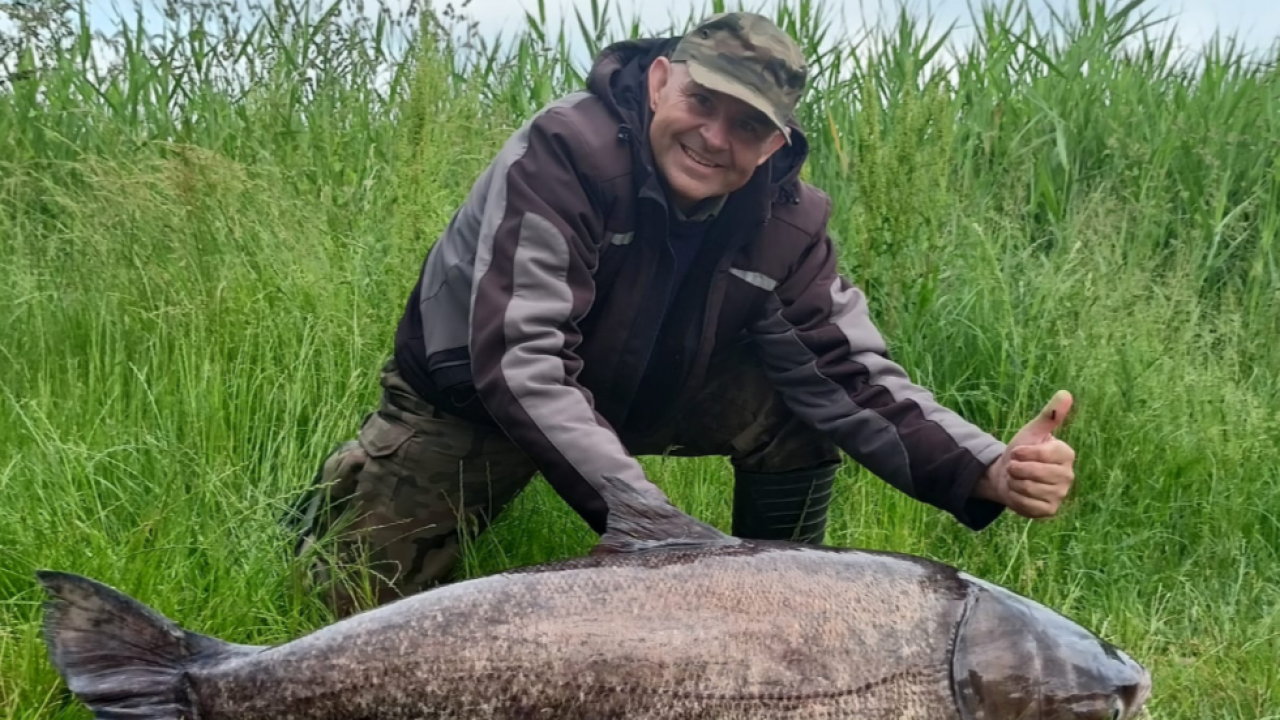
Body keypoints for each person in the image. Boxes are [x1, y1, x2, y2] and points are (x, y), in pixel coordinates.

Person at [291, 12, 1078, 616]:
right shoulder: (565, 154)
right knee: (341, 605)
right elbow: (521, 363)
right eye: (704, 102)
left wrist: (987, 467)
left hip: (643, 390)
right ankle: (347, 490)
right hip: (475, 401)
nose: (714, 137)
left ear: (775, 144)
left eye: (748, 126)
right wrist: (657, 532)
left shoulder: (788, 221)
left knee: (800, 408)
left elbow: (852, 375)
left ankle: (768, 608)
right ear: (662, 80)